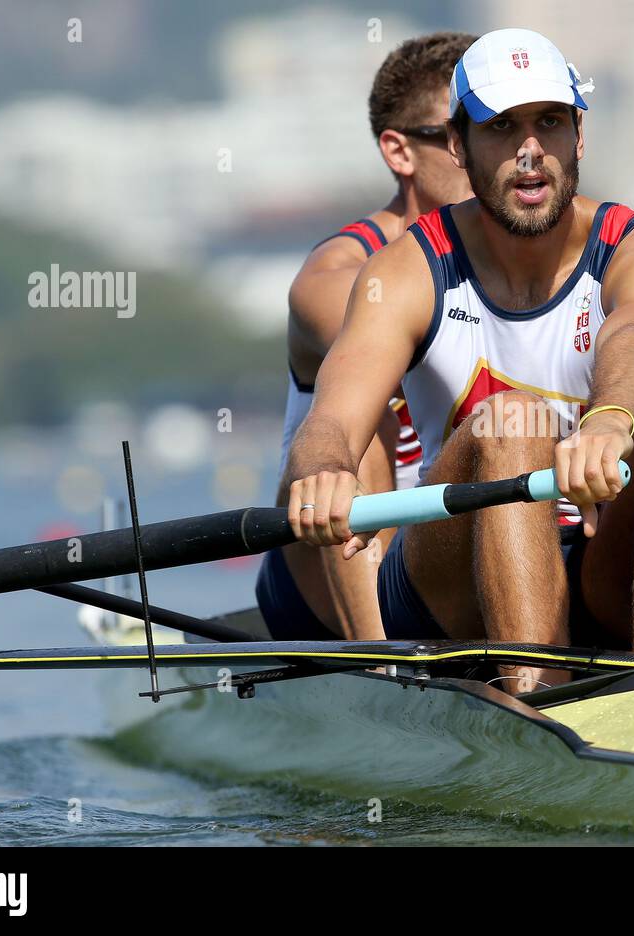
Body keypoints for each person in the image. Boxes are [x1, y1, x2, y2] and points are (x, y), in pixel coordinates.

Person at [285, 28, 634, 690]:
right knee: (512, 420)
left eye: (549, 122)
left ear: (580, 135)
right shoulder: (403, 273)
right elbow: (333, 416)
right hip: (447, 593)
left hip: (598, 570)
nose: (530, 150)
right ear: (459, 146)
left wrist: (611, 420)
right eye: (502, 127)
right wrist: (322, 470)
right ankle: (537, 694)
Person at [257, 32, 478, 641]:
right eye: (461, 132)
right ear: (399, 151)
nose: (491, 150)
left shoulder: (530, 255)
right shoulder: (333, 279)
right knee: (364, 415)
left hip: (449, 543)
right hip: (322, 573)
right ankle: (381, 664)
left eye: (502, 126)